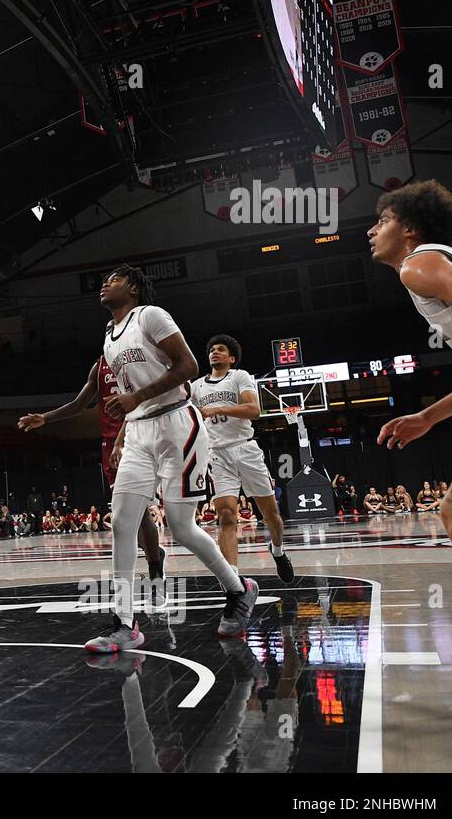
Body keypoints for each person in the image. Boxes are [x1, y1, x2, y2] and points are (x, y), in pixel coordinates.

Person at [90, 265, 257, 653]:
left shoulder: (150, 315)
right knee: (121, 522)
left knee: (182, 527)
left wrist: (137, 398)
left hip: (178, 424)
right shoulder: (108, 340)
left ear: (132, 287)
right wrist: (125, 430)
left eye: (114, 278)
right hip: (139, 432)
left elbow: (188, 367)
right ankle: (124, 624)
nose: (105, 283)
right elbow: (130, 396)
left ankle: (239, 589)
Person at [368, 179, 452, 695]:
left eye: (383, 220)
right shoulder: (442, 264)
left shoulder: (419, 265)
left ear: (409, 228)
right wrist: (430, 417)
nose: (372, 230)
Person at [19, 353, 167, 601]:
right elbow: (79, 404)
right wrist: (46, 418)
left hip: (138, 438)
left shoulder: (137, 360)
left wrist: (123, 439)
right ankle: (152, 560)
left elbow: (145, 404)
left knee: (137, 514)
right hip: (110, 445)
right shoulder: (99, 366)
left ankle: (154, 569)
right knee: (126, 517)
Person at [190, 334, 293, 581]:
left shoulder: (239, 376)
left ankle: (278, 551)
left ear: (231, 358)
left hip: (245, 449)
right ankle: (233, 579)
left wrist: (219, 408)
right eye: (212, 349)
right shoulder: (196, 387)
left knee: (272, 516)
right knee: (225, 515)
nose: (214, 352)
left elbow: (253, 410)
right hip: (217, 454)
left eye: (221, 349)